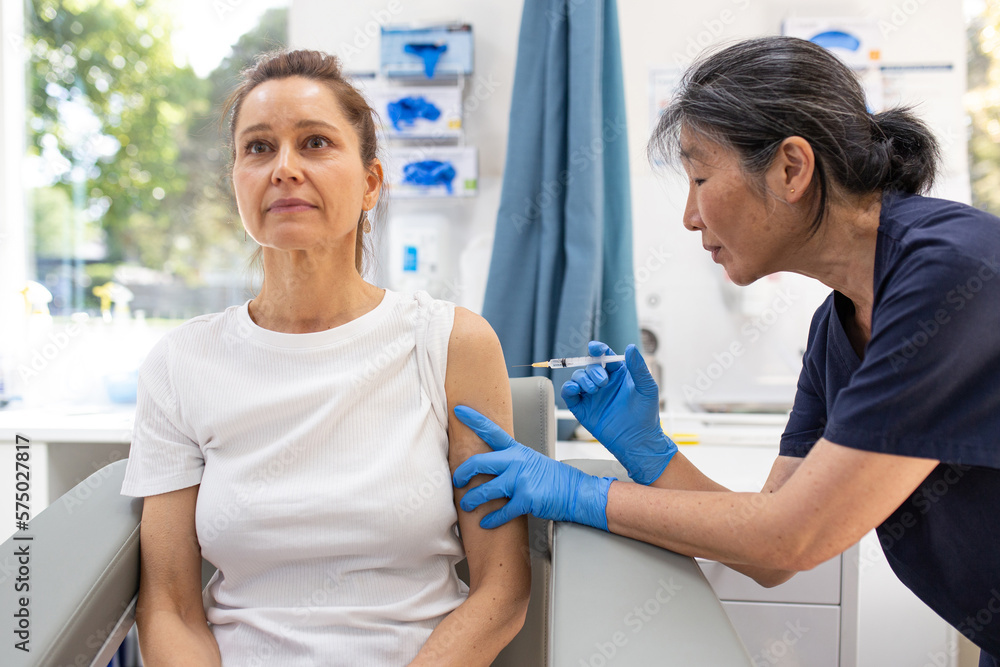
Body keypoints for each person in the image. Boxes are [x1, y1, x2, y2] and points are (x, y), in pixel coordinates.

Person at [451, 36, 1000, 666]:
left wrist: (577, 492)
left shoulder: (953, 274)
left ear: (791, 169)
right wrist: (648, 451)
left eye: (701, 177)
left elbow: (789, 539)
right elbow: (764, 552)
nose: (689, 216)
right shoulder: (837, 329)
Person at [120, 49, 530, 666]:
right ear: (236, 180)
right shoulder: (182, 363)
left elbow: (503, 589)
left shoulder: (452, 344)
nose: (284, 168)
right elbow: (170, 607)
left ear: (370, 183)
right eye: (258, 148)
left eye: (314, 143)